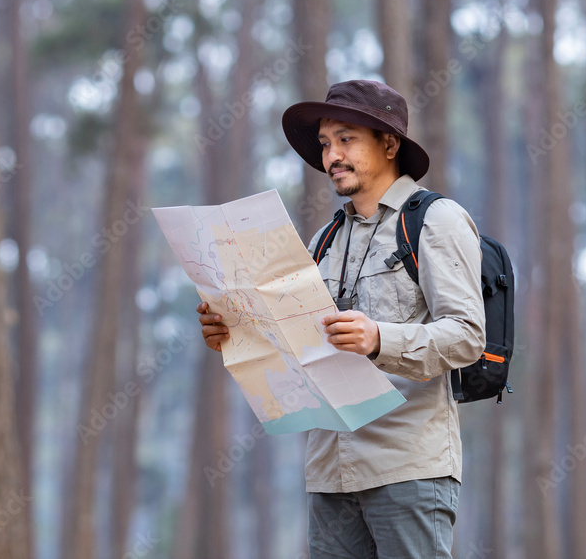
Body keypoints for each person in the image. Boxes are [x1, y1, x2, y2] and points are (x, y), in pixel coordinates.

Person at [195, 79, 486, 558]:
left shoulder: (436, 221)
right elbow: (296, 344)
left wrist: (378, 339)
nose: (332, 155)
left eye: (346, 139)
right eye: (326, 144)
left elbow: (467, 336)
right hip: (329, 471)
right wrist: (234, 332)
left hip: (407, 465)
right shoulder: (323, 241)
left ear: (389, 144)